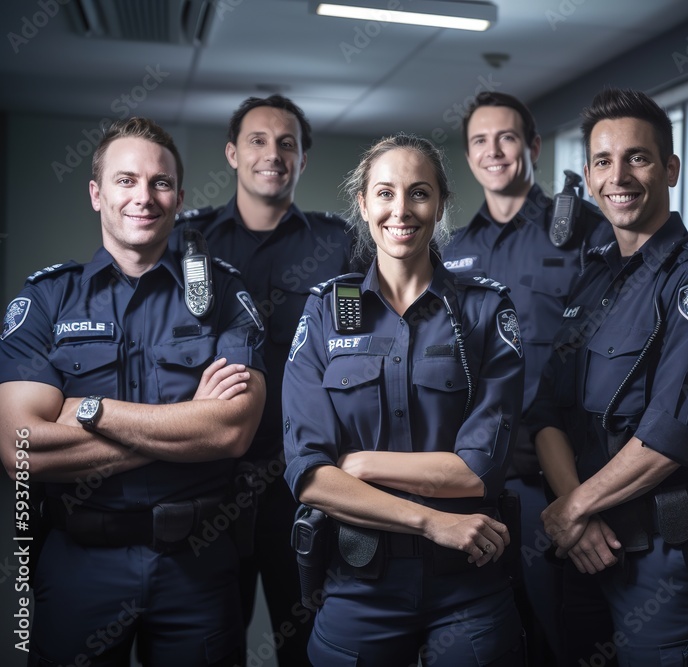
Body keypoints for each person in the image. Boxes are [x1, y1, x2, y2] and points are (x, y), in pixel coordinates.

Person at [0, 117, 266, 665]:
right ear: (97, 194)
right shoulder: (48, 300)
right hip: (79, 565)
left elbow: (233, 431)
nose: (143, 197)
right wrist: (187, 422)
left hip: (197, 564)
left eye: (160, 183)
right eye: (125, 181)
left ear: (179, 198)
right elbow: (20, 449)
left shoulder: (225, 293)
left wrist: (90, 411)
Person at [282, 133, 526, 665]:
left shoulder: (485, 311)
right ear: (364, 204)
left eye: (419, 193)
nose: (401, 210)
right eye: (385, 193)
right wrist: (432, 520)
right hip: (359, 580)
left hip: (469, 584)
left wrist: (359, 463)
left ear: (439, 205)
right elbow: (307, 474)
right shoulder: (325, 312)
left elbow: (478, 470)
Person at [529, 87, 688, 665]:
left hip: (661, 557)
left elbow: (671, 434)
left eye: (639, 157)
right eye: (603, 161)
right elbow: (547, 411)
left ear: (671, 168)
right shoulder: (592, 277)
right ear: (588, 172)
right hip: (584, 547)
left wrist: (572, 511)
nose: (618, 175)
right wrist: (576, 515)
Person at [173, 94, 353, 663]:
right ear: (231, 153)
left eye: (287, 143)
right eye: (257, 140)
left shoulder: (340, 242)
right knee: (203, 642)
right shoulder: (185, 243)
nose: (272, 154)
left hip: (301, 481)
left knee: (305, 640)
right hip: (204, 481)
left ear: (303, 158)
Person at [442, 90, 615, 665]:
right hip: (479, 484)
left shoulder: (590, 232)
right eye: (479, 142)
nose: (494, 152)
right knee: (487, 636)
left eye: (507, 137)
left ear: (533, 147)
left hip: (560, 477)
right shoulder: (453, 251)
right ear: (468, 157)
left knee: (567, 636)